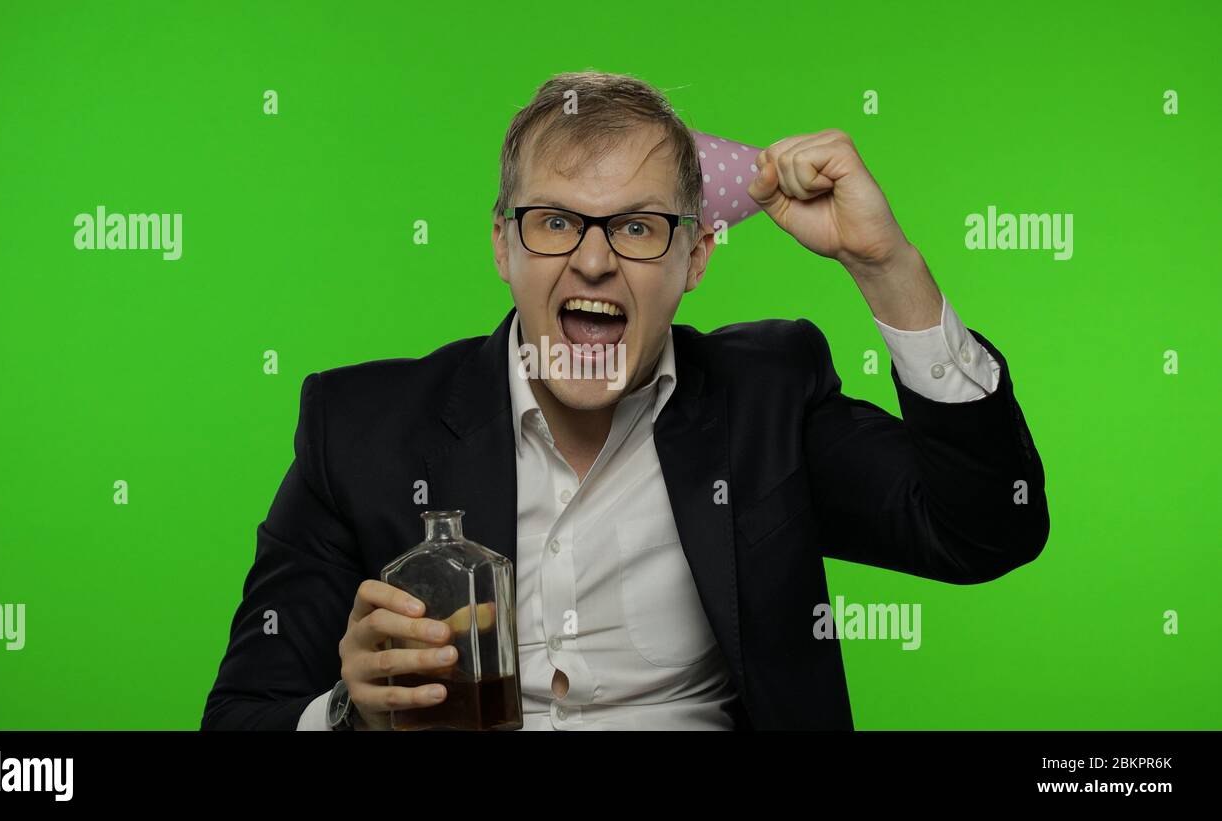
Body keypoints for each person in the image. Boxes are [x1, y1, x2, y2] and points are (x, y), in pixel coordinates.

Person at [201, 71, 1048, 731]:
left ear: (696, 259)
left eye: (639, 227)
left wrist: (885, 265)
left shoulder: (765, 402)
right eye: (555, 222)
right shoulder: (362, 429)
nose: (595, 261)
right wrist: (357, 715)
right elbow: (240, 717)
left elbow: (986, 527)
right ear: (503, 244)